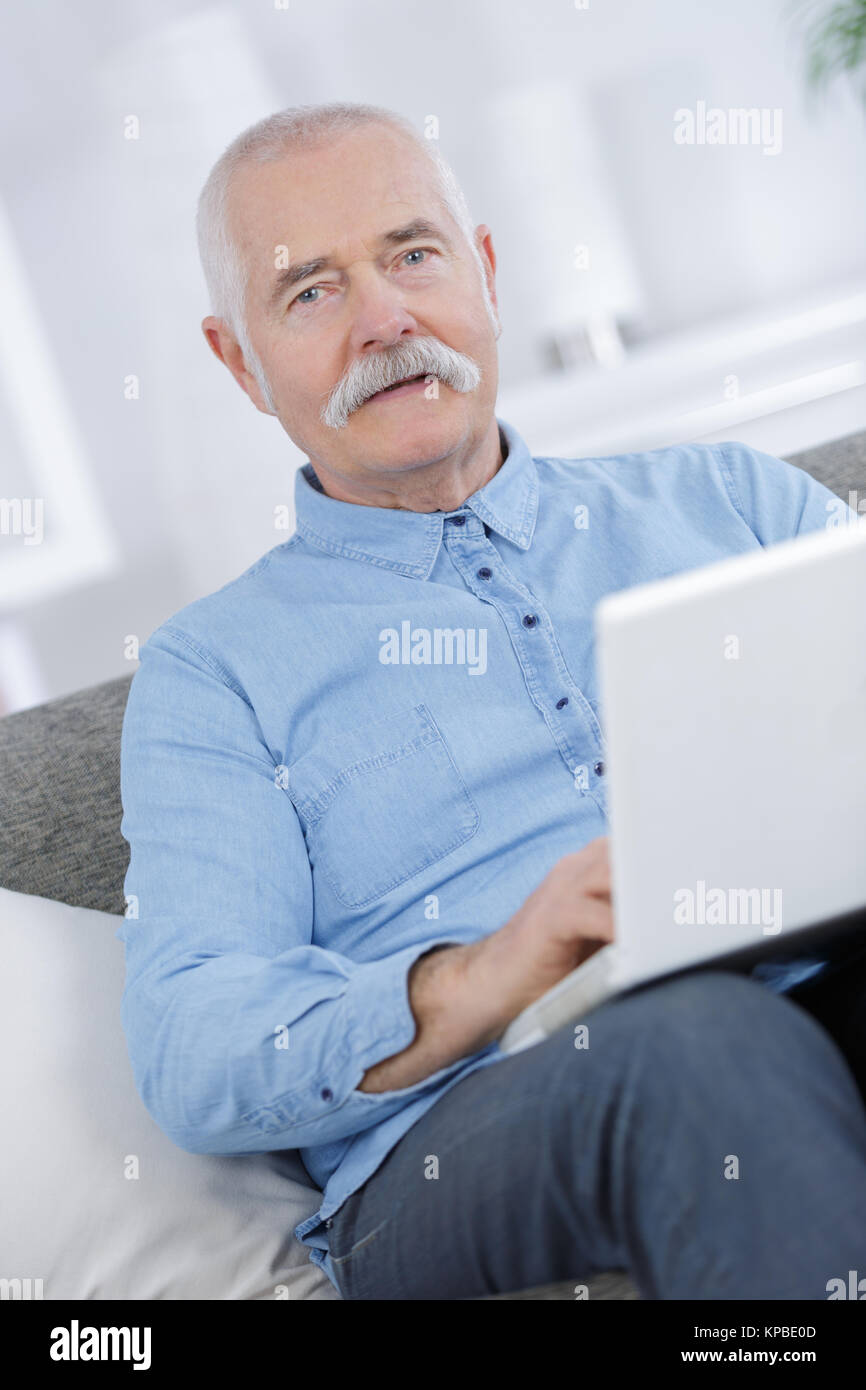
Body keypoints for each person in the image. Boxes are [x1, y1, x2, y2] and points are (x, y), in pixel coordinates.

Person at [116, 101, 866, 1300]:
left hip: (808, 982)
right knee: (693, 1048)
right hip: (468, 1139)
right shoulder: (211, 677)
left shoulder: (731, 503)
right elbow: (192, 1045)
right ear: (237, 361)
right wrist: (492, 966)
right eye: (309, 291)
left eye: (413, 254)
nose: (384, 320)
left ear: (486, 272)